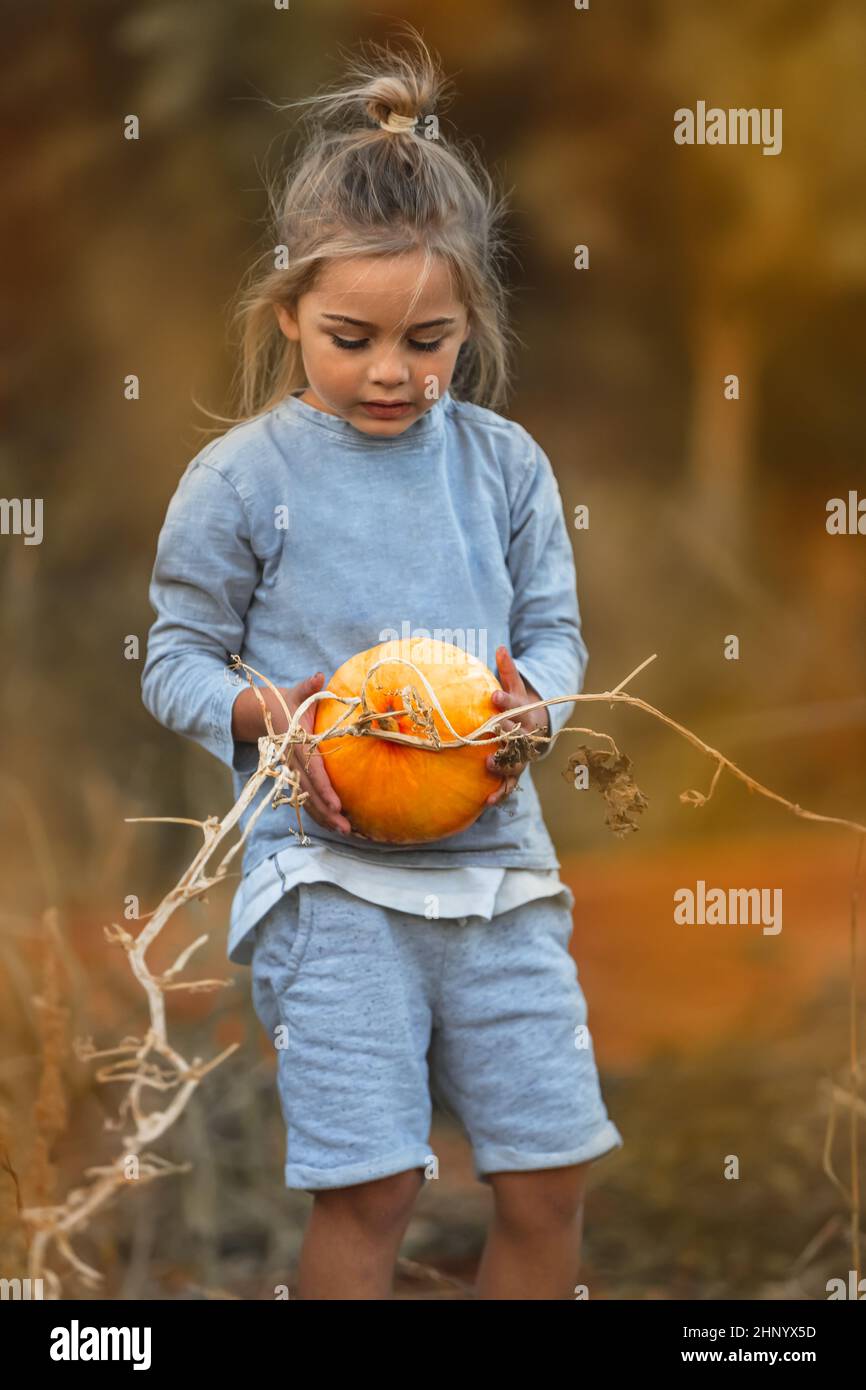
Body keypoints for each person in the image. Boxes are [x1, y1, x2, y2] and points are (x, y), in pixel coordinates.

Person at [140, 24, 623, 1300]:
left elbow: (558, 635)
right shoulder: (240, 478)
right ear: (287, 308)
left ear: (469, 320)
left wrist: (542, 697)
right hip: (328, 881)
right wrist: (259, 709)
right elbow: (174, 656)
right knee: (371, 1186)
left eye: (428, 339)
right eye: (350, 336)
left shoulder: (506, 467)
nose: (391, 373)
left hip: (500, 875)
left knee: (547, 1173)